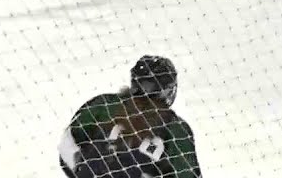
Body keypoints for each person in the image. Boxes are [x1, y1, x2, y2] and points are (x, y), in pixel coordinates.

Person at [58, 55, 201, 178]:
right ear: (168, 90)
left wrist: (82, 169)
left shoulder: (102, 105)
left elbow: (68, 145)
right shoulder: (175, 128)